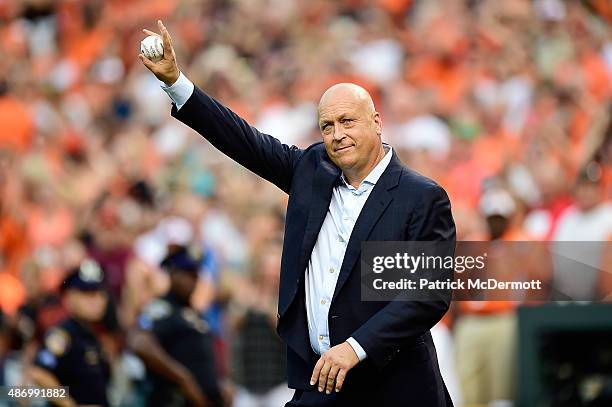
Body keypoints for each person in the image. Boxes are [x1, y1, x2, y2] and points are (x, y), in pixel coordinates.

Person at [140, 20, 455, 407]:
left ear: (376, 122)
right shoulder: (312, 172)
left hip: (393, 388)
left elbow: (426, 296)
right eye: (327, 126)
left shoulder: (419, 197)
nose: (337, 134)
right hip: (321, 384)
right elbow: (243, 140)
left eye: (347, 121)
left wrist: (354, 348)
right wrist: (176, 82)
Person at [130, 245, 224, 407]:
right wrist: (183, 378)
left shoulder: (194, 312)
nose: (193, 280)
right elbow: (140, 344)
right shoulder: (161, 308)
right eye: (187, 274)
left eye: (195, 275)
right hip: (174, 400)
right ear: (172, 274)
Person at [30, 259, 111, 407]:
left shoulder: (91, 334)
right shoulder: (63, 334)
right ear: (69, 298)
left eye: (100, 293)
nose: (97, 300)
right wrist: (69, 404)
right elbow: (39, 373)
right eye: (88, 294)